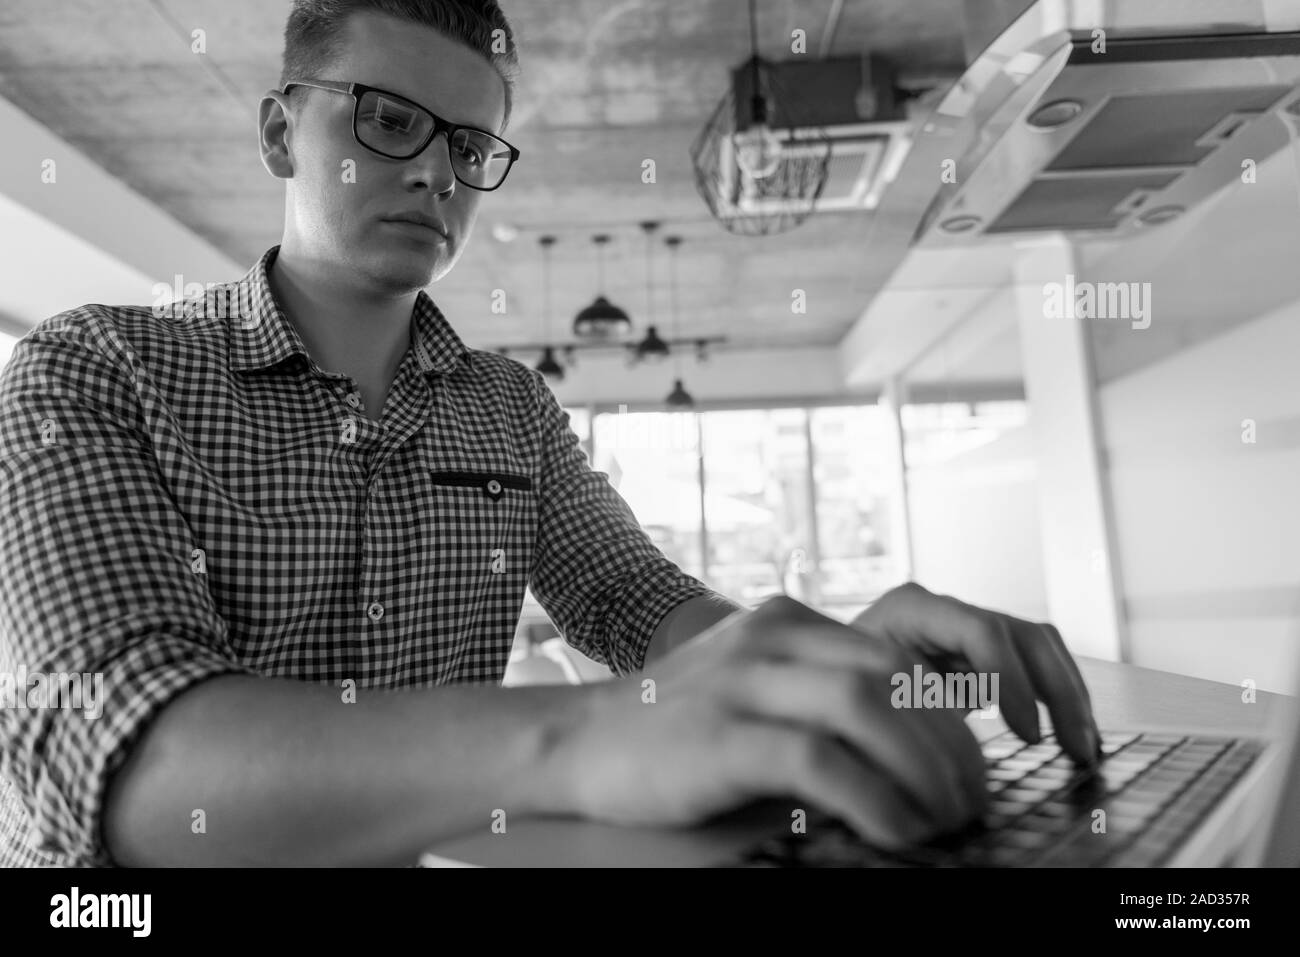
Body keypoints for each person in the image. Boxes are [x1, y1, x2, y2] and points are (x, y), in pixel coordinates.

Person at [0, 0, 1099, 868]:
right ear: (283, 133)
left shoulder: (509, 408)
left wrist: (824, 662)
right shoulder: (95, 367)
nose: (436, 172)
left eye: (470, 145)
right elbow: (124, 762)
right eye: (385, 119)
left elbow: (639, 605)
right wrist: (595, 739)